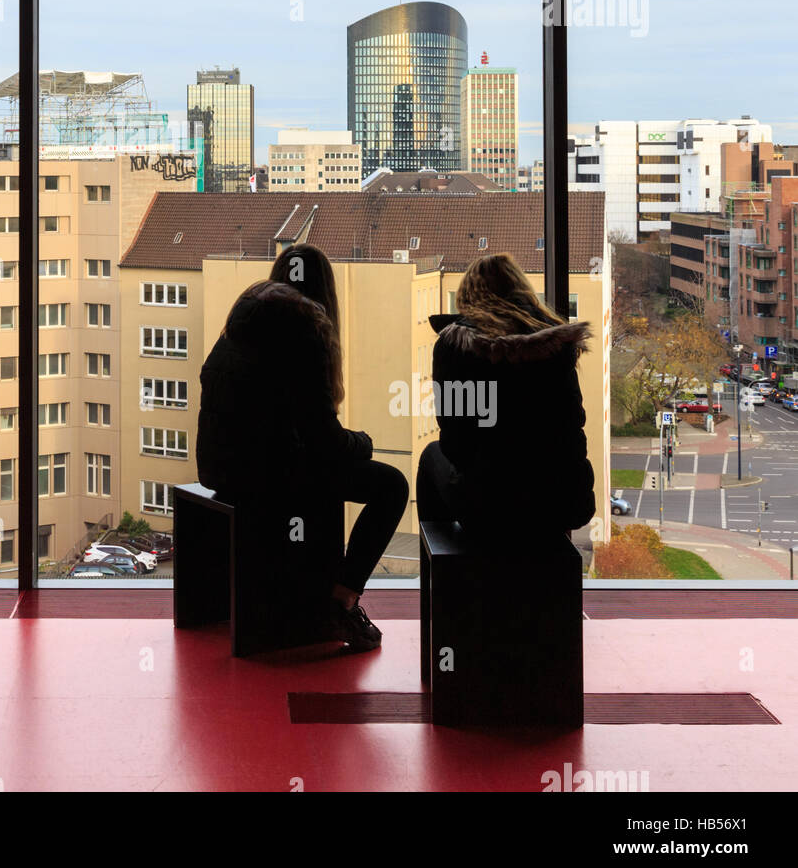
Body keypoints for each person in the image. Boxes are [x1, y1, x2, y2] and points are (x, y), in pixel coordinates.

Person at [198, 252, 408, 653]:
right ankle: (341, 600)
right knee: (391, 485)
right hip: (270, 476)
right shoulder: (305, 332)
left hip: (220, 470)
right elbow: (324, 440)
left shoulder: (241, 323)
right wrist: (362, 444)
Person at [418, 252, 596, 540]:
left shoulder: (456, 347)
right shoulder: (555, 344)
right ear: (521, 290)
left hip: (490, 508)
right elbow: (573, 424)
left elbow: (454, 442)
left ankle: (445, 571)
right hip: (564, 503)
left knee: (431, 456)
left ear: (468, 297)